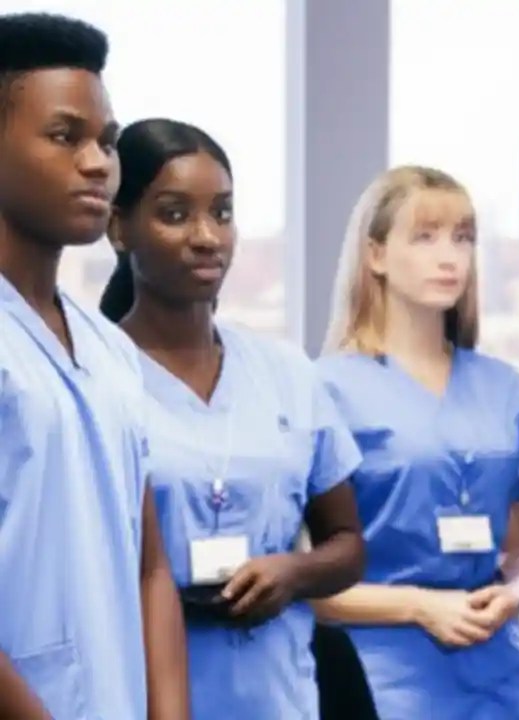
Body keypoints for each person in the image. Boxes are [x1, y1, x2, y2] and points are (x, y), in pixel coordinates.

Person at [97, 117, 367, 719]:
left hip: (279, 697)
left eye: (221, 213)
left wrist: (293, 573)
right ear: (119, 227)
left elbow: (347, 546)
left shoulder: (286, 373)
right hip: (143, 697)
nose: (206, 236)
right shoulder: (96, 378)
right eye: (174, 214)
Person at [0, 13, 189, 719]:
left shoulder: (109, 348)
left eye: (106, 141)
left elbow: (149, 565)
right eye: (64, 136)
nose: (97, 163)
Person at [313, 166, 519, 720]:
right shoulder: (326, 389)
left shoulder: (505, 387)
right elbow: (304, 580)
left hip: (495, 672)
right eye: (425, 236)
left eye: (463, 238)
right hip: (378, 674)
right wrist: (418, 606)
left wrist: (515, 594)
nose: (450, 256)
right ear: (376, 254)